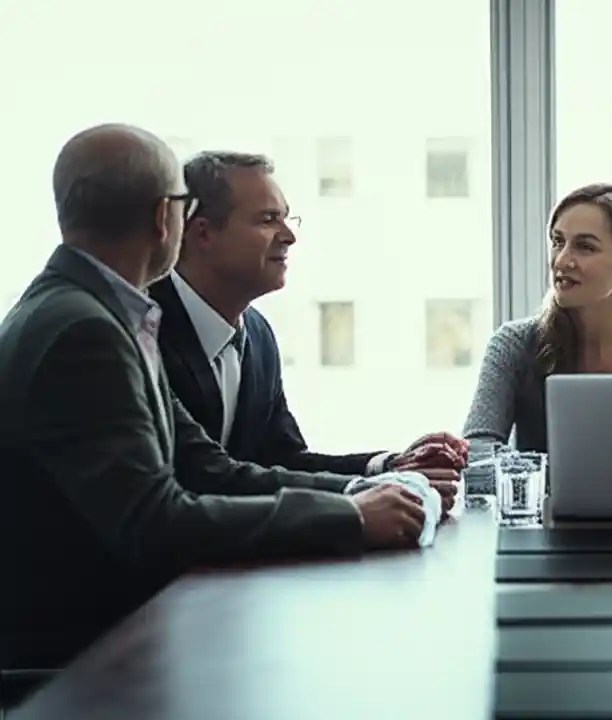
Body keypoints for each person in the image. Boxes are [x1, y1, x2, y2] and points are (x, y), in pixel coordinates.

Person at [0, 125, 437, 673]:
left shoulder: (97, 313)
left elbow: (209, 467)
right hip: (78, 670)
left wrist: (363, 491)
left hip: (125, 644)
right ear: (166, 218)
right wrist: (349, 516)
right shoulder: (86, 332)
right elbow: (154, 523)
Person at [151, 151, 466, 480]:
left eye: (286, 218)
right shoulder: (141, 328)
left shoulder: (258, 333)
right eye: (268, 219)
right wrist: (364, 492)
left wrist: (388, 467)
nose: (289, 236)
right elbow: (203, 476)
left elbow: (284, 461)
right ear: (203, 233)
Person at [462, 183, 612, 457]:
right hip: (545, 490)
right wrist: (542, 472)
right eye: (558, 242)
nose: (561, 260)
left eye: (585, 247)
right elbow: (477, 449)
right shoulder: (514, 344)